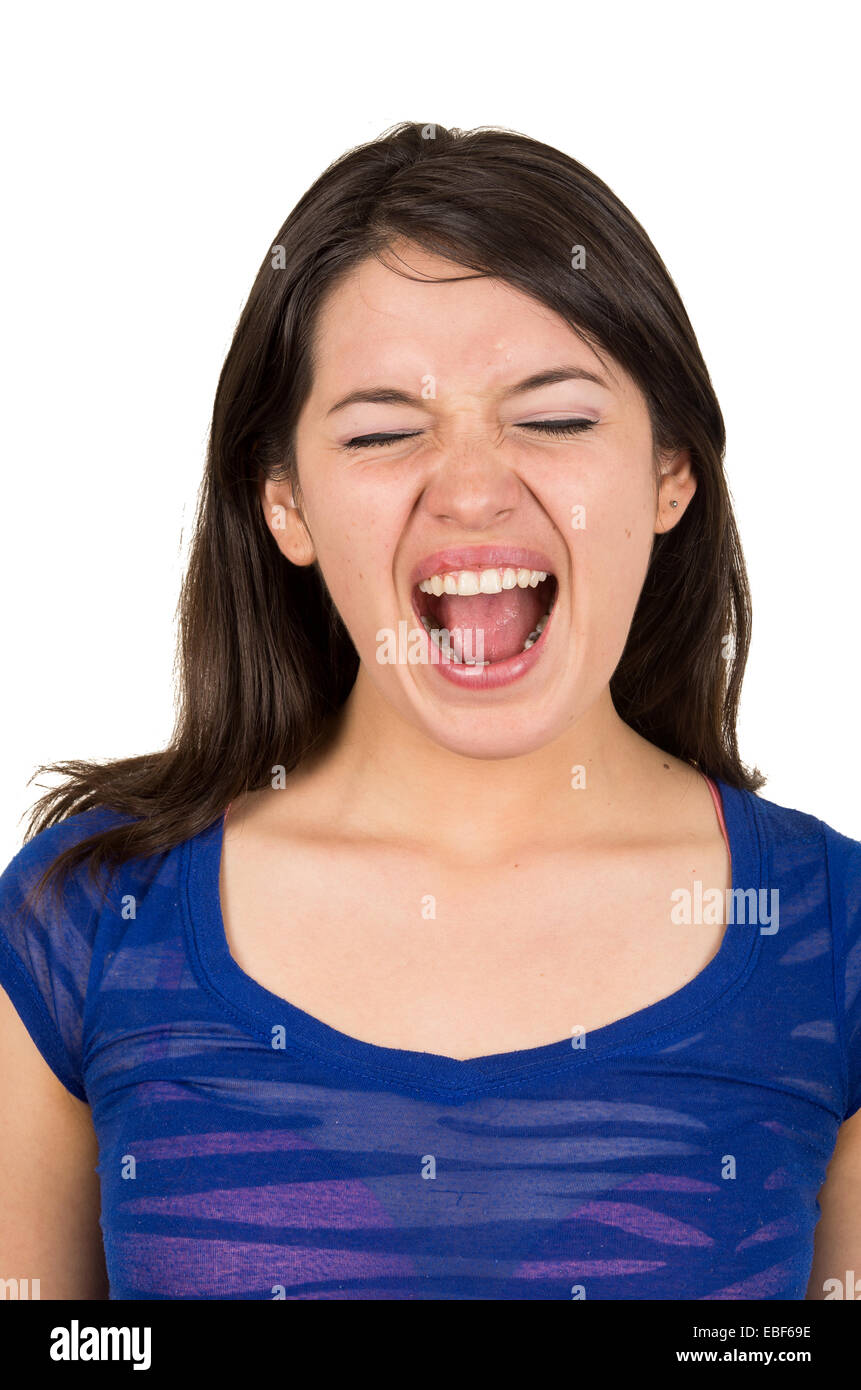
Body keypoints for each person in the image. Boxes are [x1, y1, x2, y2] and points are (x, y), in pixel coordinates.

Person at [1, 122, 859, 1301]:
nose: (469, 487)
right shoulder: (83, 926)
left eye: (555, 418)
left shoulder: (836, 937)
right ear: (285, 506)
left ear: (672, 474)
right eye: (384, 432)